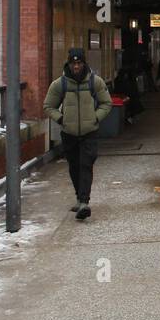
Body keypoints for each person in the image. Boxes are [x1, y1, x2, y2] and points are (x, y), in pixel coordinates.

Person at [43, 47, 112, 219]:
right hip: (69, 133)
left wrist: (95, 118)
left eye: (79, 63)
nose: (76, 67)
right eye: (73, 63)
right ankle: (79, 197)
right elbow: (48, 106)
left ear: (84, 63)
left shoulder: (94, 82)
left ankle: (84, 202)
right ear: (69, 63)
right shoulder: (60, 84)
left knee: (86, 164)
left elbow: (106, 103)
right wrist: (60, 119)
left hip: (90, 132)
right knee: (74, 166)